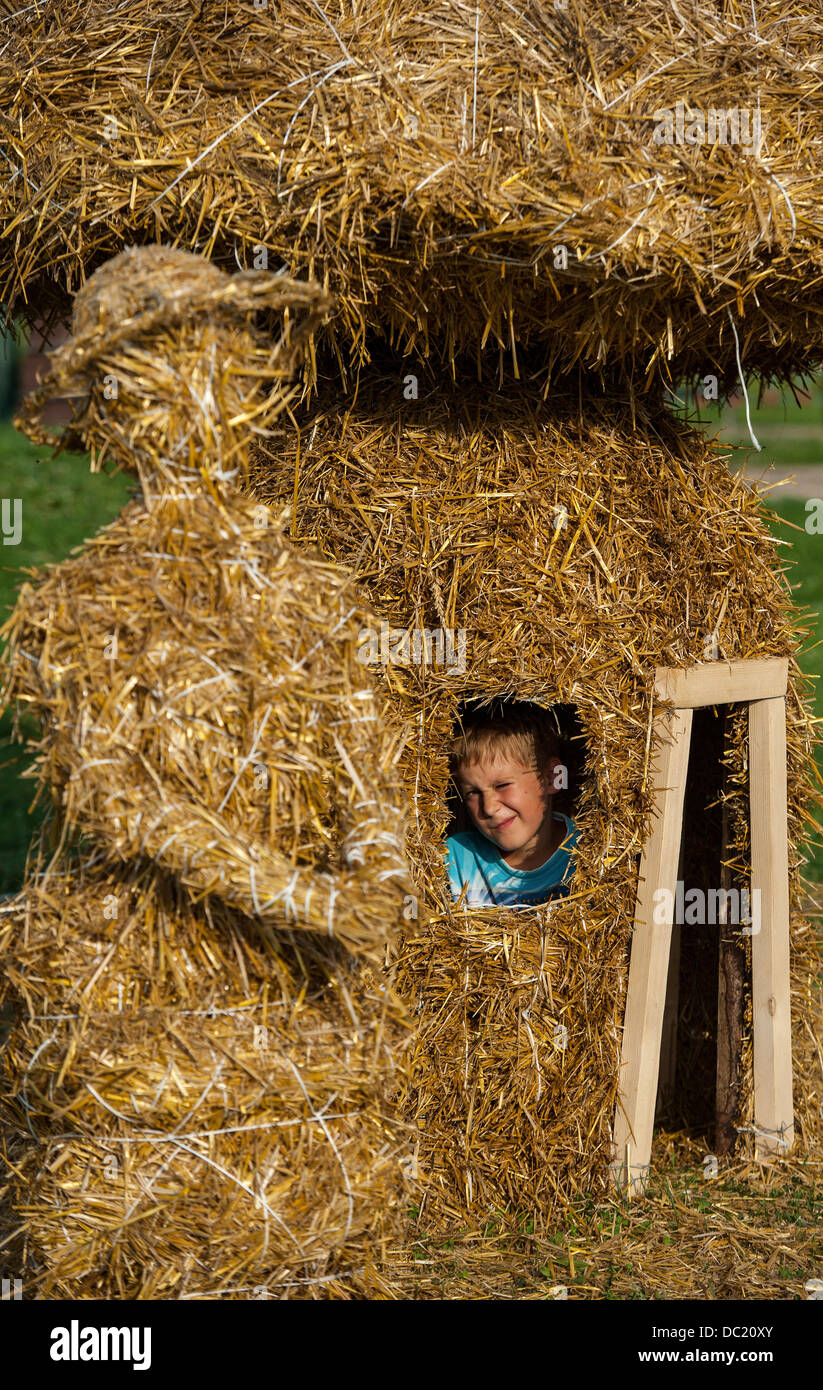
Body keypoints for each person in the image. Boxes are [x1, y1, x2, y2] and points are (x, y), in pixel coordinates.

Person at [445, 705, 579, 908]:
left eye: (502, 785)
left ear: (553, 777)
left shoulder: (585, 853)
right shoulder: (454, 860)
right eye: (473, 792)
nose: (489, 808)